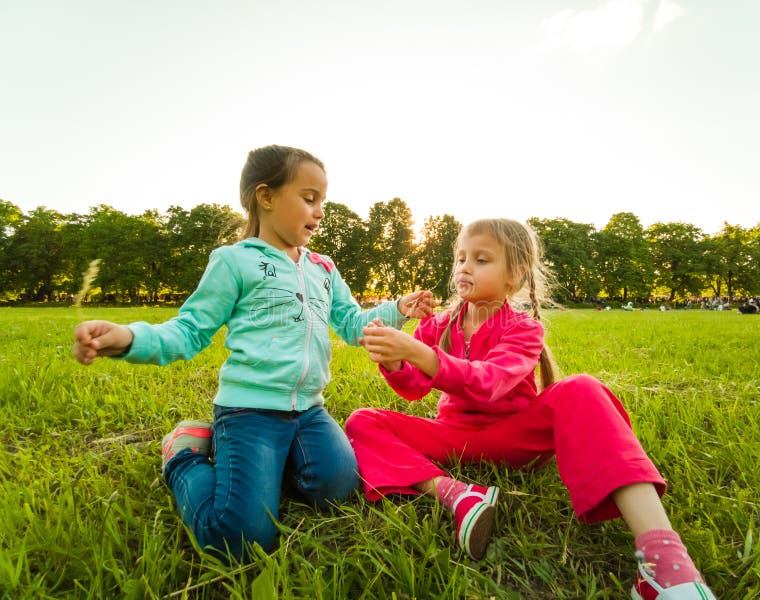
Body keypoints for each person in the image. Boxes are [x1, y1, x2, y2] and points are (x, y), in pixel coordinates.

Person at [72, 145, 434, 562]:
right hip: (249, 413)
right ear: (266, 196)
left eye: (323, 202)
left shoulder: (323, 268)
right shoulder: (233, 262)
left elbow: (353, 324)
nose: (318, 213)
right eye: (309, 198)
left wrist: (397, 309)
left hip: (310, 412)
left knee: (337, 487)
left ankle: (265, 468)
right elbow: (188, 330)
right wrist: (126, 337)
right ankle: (185, 456)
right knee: (240, 539)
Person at [346, 219, 716, 599]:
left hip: (515, 439)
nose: (464, 267)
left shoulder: (524, 328)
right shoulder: (438, 325)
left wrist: (421, 353)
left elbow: (489, 382)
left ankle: (664, 560)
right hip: (455, 437)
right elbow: (413, 388)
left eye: (481, 259)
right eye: (460, 258)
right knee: (362, 420)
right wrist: (393, 360)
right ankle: (456, 494)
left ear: (515, 275)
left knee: (583, 388)